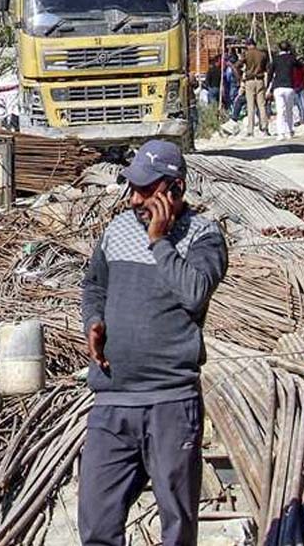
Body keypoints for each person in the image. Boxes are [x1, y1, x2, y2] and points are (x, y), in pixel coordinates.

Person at [79, 140, 228, 546]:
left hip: (170, 403)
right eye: (132, 187)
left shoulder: (205, 236)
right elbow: (93, 286)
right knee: (96, 523)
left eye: (145, 190)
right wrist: (93, 320)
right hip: (112, 401)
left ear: (175, 189)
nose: (134, 198)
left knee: (176, 527)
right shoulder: (116, 231)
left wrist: (159, 241)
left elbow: (195, 292)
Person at [237, 38, 270, 136]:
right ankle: (265, 128)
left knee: (250, 106)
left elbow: (237, 65)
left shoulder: (246, 54)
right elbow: (266, 68)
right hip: (260, 80)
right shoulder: (262, 54)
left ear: (248, 45)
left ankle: (250, 131)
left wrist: (240, 77)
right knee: (262, 105)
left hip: (249, 80)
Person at [269, 41, 297, 140]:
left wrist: (269, 87)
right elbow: (298, 65)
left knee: (280, 111)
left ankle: (281, 134)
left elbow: (270, 73)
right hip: (289, 86)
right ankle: (289, 131)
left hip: (278, 86)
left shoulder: (275, 59)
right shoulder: (291, 58)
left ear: (279, 48)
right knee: (289, 110)